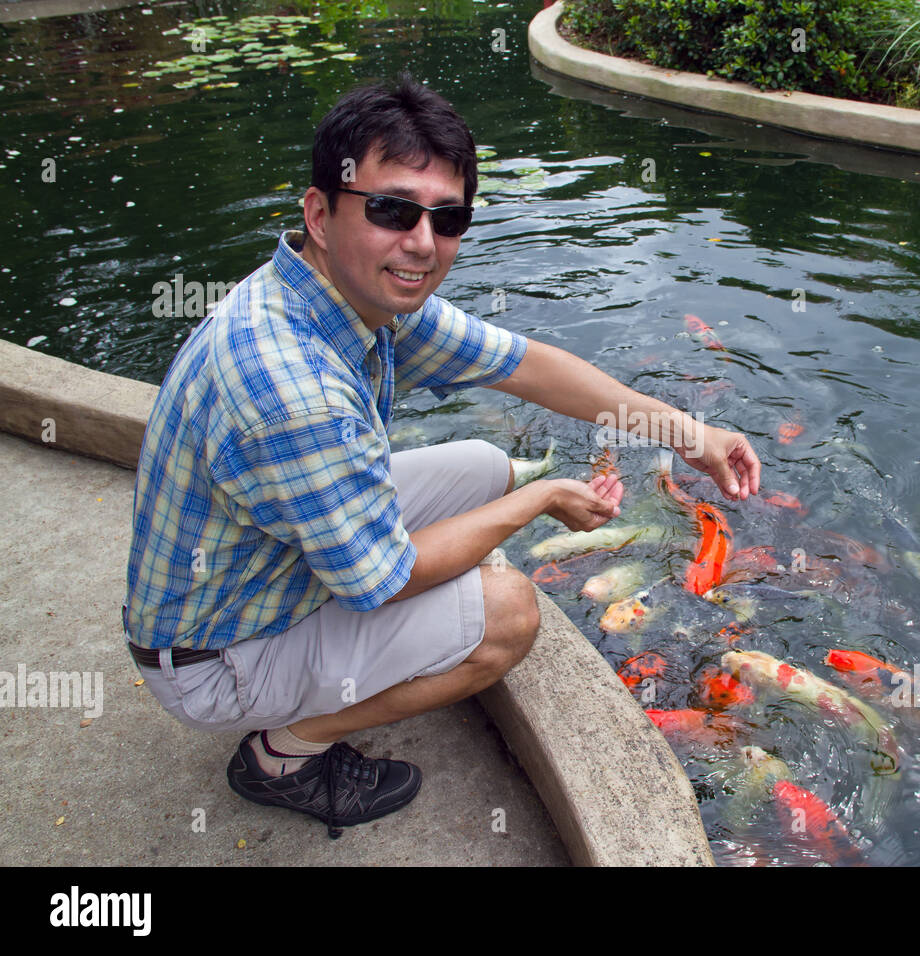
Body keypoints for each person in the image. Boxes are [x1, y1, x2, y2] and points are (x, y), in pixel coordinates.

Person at [122, 74, 761, 839]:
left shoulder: (347, 292)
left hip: (254, 568)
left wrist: (693, 436)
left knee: (482, 466)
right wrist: (541, 496)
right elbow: (383, 579)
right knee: (509, 614)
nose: (422, 242)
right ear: (321, 213)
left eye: (447, 218)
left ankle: (348, 668)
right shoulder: (294, 389)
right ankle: (283, 756)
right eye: (392, 210)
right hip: (212, 656)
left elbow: (529, 365)